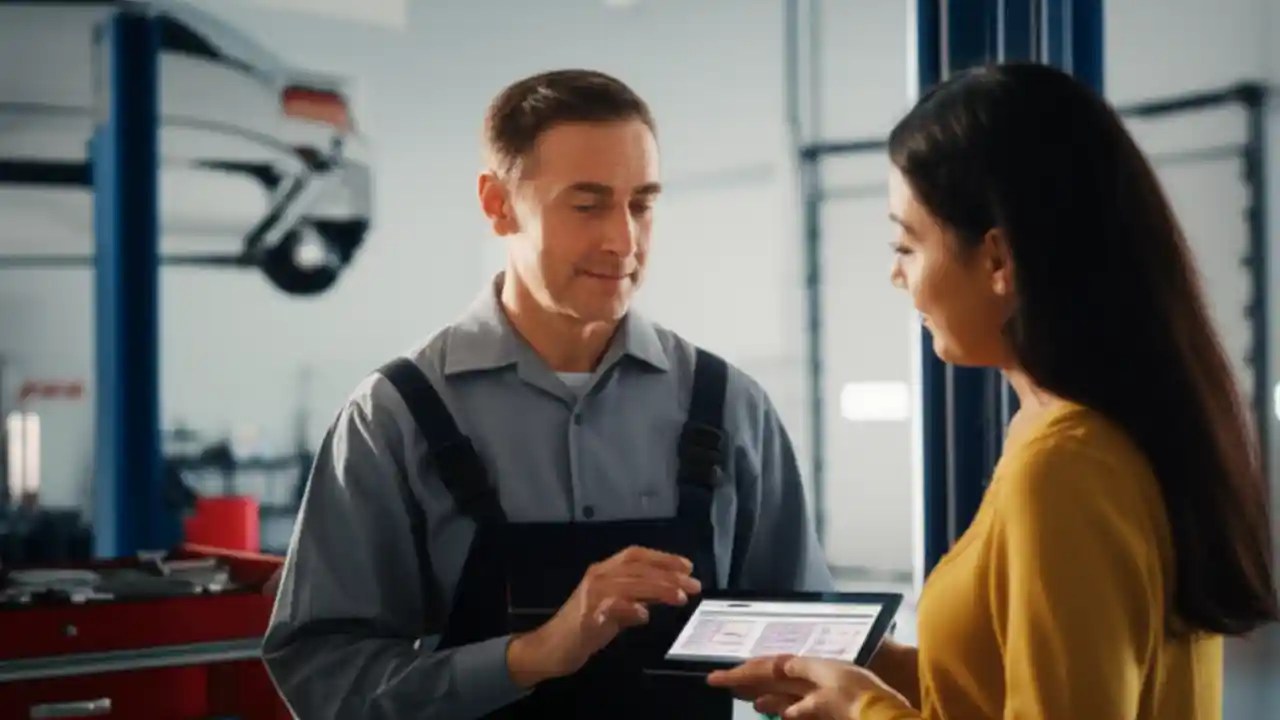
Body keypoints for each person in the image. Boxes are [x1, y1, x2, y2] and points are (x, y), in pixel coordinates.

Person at [708, 62, 1279, 719]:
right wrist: (876, 670)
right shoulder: (1082, 430)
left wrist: (862, 712)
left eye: (907, 245)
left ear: (998, 260)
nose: (898, 277)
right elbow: (1008, 685)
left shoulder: (1065, 466)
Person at [261, 68, 833, 719]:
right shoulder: (395, 417)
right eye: (587, 205)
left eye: (642, 203)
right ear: (497, 203)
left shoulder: (730, 407)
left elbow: (806, 641)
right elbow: (322, 676)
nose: (623, 240)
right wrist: (529, 656)